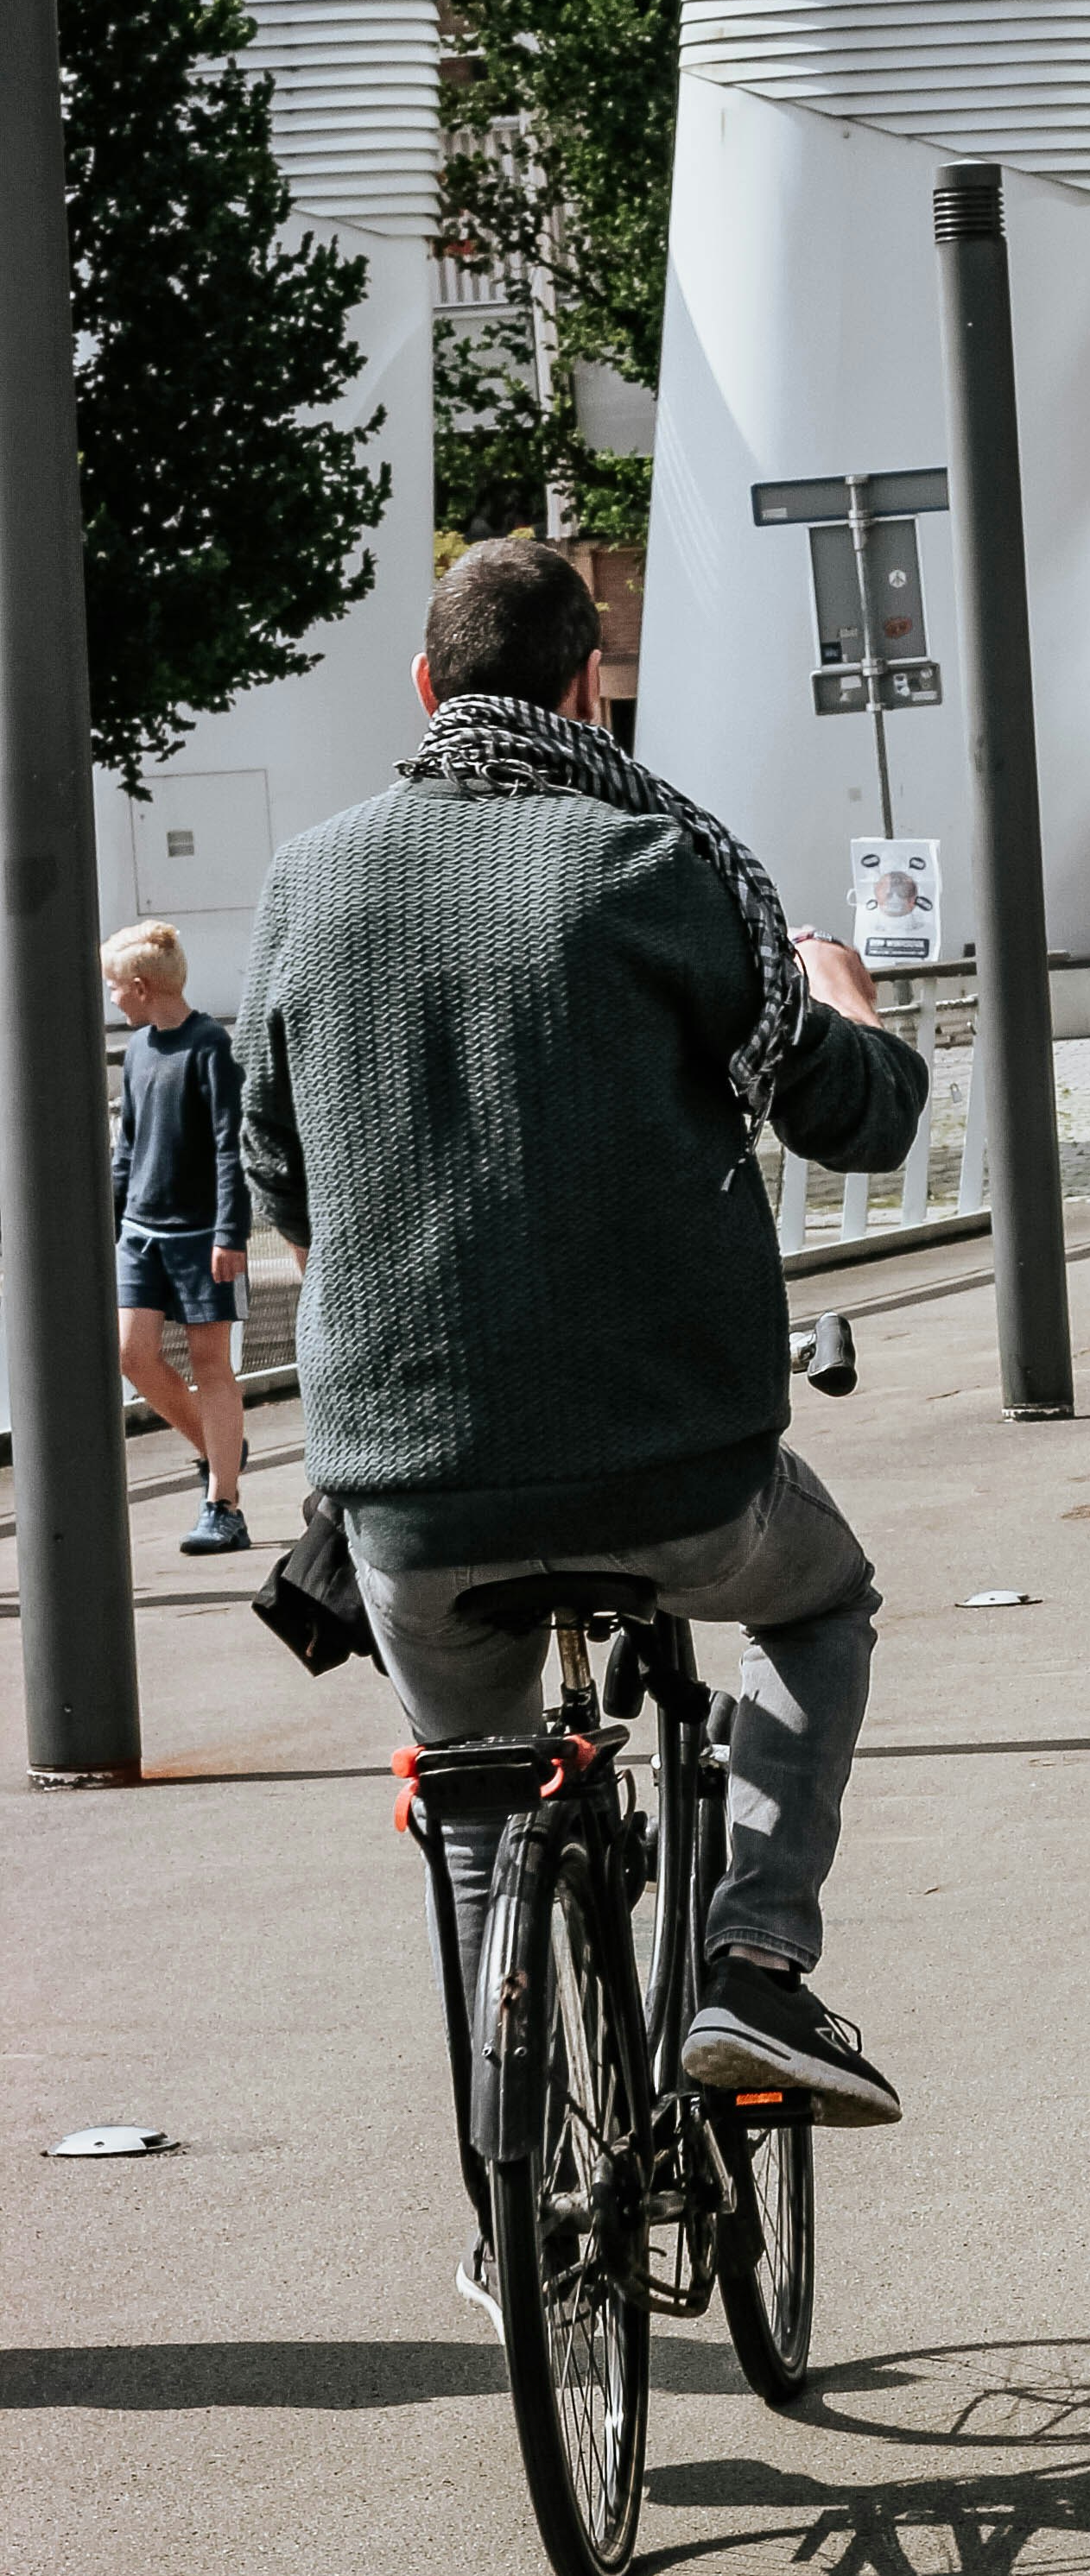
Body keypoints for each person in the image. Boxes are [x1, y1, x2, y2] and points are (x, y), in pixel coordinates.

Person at [237, 534, 927, 2292]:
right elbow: (854, 1117)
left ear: (421, 690)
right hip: (675, 1466)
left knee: (475, 1808)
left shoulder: (308, 885)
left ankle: (515, 2203)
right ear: (586, 686)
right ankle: (754, 1963)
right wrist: (845, 998)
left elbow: (280, 1177)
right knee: (818, 1597)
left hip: (404, 1493)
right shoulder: (663, 858)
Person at [103, 916, 250, 1556]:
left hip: (202, 1238)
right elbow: (127, 1146)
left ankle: (224, 1504)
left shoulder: (210, 1045)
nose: (110, 997)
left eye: (114, 987)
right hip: (140, 1233)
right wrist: (108, 1225)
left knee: (212, 1365)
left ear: (139, 987)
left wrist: (230, 1233)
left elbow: (229, 1147)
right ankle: (223, 1451)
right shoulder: (136, 1051)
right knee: (133, 1356)